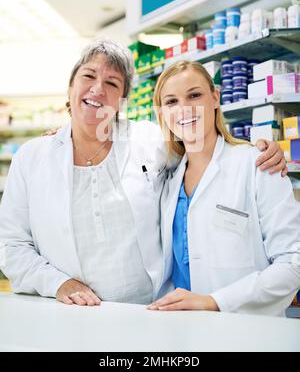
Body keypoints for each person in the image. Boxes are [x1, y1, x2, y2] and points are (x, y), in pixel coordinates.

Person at [0, 40, 287, 307]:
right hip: (69, 311)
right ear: (70, 87)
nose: (98, 89)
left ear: (122, 101)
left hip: (147, 311)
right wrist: (58, 283)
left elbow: (202, 147)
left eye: (112, 83)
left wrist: (258, 149)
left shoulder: (149, 141)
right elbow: (10, 245)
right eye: (88, 76)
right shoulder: (32, 157)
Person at [147, 60, 300, 316]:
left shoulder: (258, 164)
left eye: (194, 95)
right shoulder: (168, 179)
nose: (184, 109)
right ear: (161, 113)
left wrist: (215, 301)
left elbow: (292, 262)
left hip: (246, 331)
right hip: (179, 328)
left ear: (215, 98)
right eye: (171, 101)